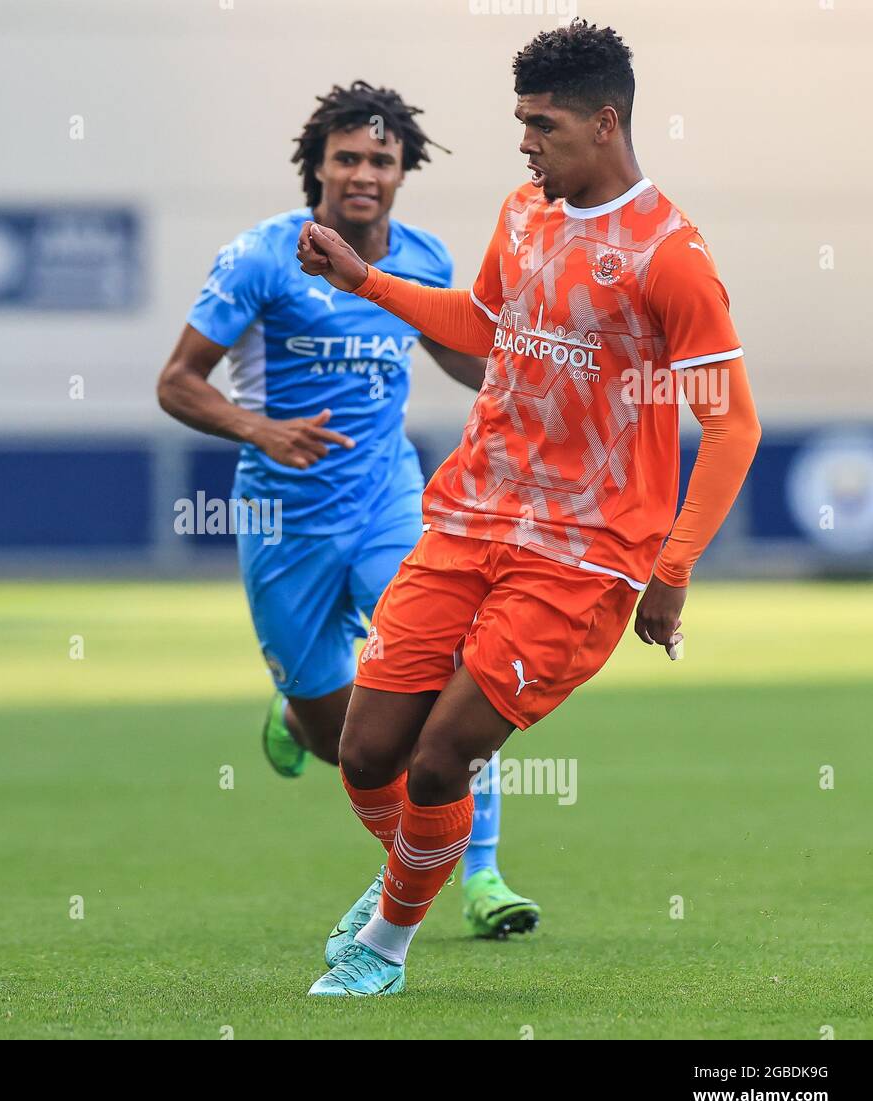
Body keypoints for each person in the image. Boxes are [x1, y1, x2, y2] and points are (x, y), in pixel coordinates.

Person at [298, 22, 761, 995]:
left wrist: (669, 571)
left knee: (437, 760)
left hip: (579, 556)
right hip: (468, 518)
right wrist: (366, 280)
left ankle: (383, 945)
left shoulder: (669, 257)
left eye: (540, 125)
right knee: (364, 749)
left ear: (605, 123)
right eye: (519, 123)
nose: (524, 143)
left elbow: (731, 429)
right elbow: (481, 320)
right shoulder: (523, 212)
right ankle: (404, 878)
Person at [158, 82, 541, 949]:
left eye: (381, 159)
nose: (364, 173)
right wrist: (259, 428)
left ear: (404, 170)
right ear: (318, 168)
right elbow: (177, 380)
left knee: (451, 679)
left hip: (389, 506)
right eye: (348, 158)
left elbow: (463, 357)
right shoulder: (262, 257)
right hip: (281, 522)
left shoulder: (425, 258)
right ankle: (293, 715)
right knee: (343, 745)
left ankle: (481, 873)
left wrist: (549, 390)